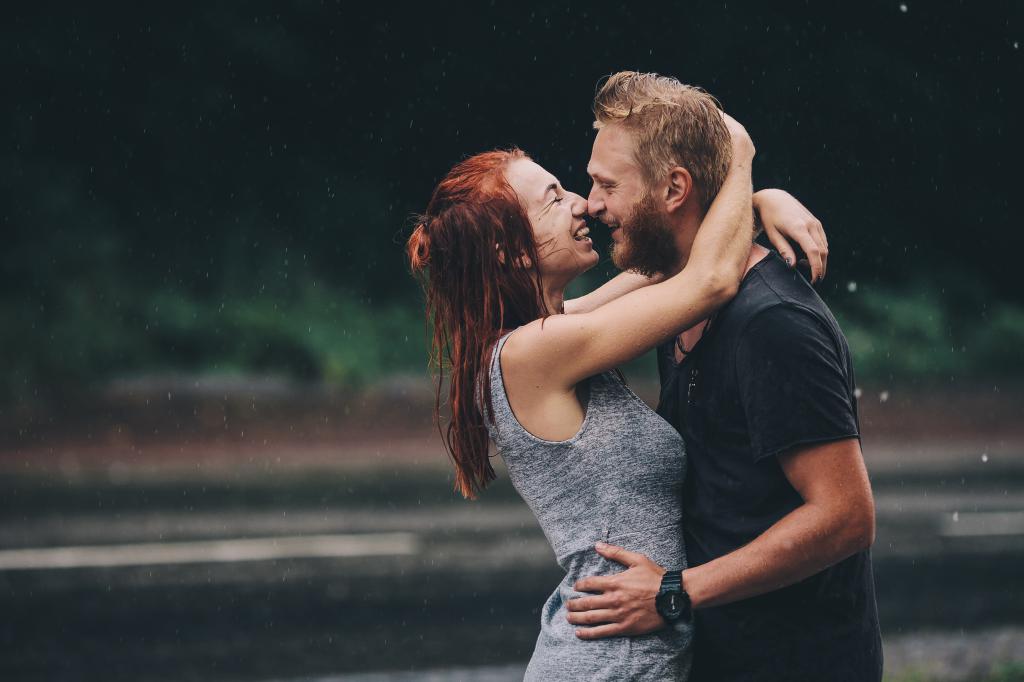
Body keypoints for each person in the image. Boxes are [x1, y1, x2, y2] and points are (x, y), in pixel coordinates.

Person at [408, 86, 827, 678]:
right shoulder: (534, 353)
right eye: (553, 200)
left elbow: (672, 263)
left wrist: (761, 201)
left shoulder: (557, 329)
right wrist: (738, 151)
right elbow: (706, 282)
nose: (581, 204)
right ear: (511, 252)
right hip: (607, 663)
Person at [564, 71, 883, 681]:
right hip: (721, 655)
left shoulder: (773, 324)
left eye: (607, 184)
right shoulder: (680, 294)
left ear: (674, 188)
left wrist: (675, 591)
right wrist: (757, 194)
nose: (591, 203)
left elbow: (846, 515)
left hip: (800, 663)